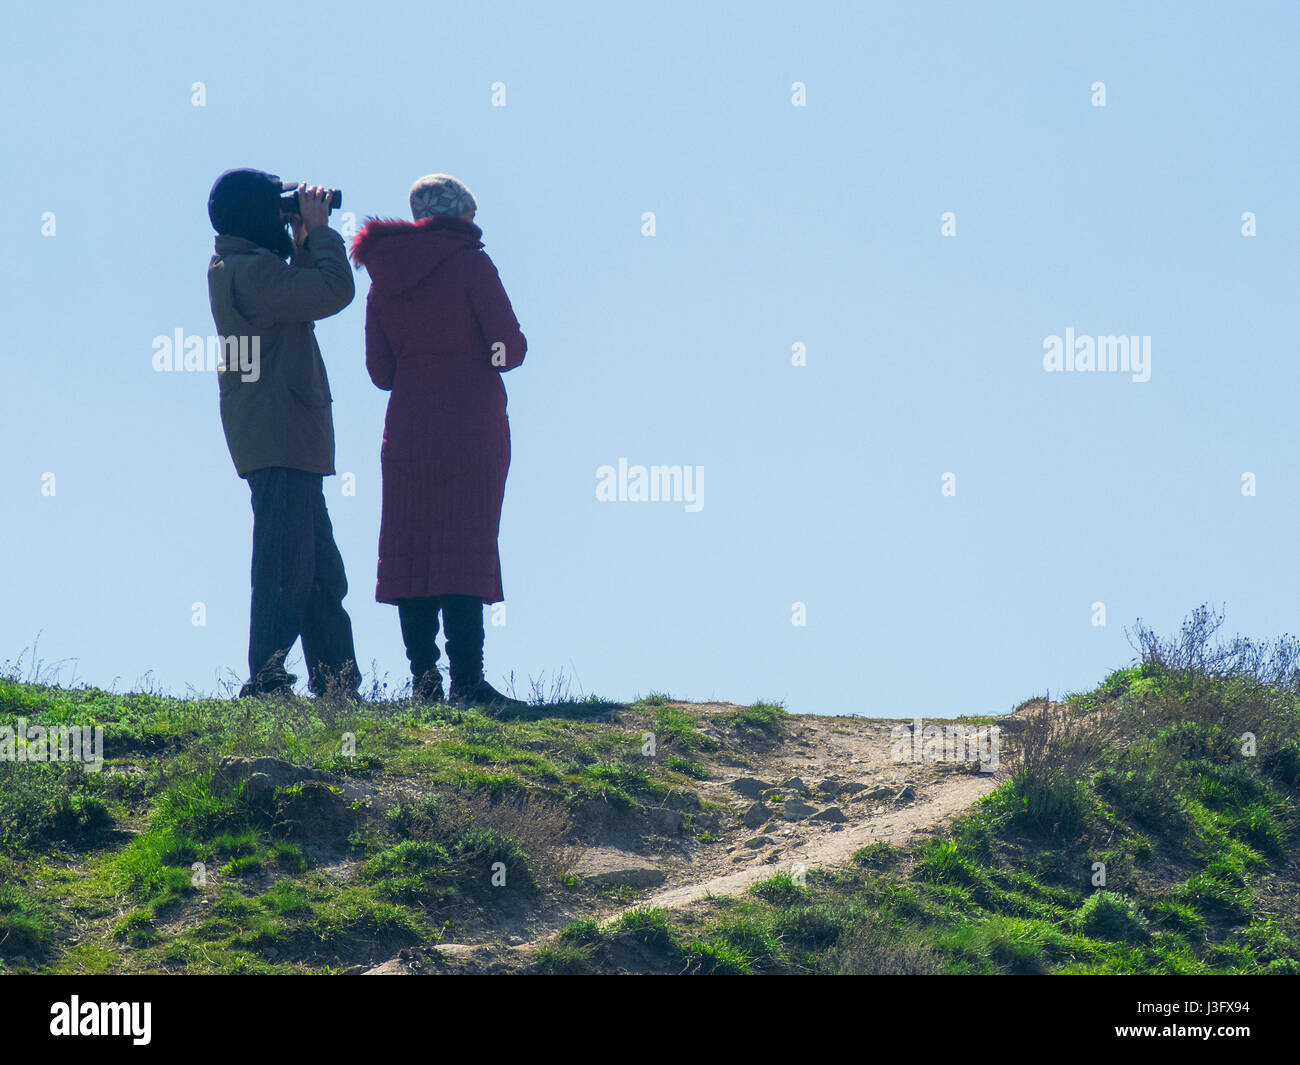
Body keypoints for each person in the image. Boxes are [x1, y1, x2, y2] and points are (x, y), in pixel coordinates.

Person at [350, 174, 526, 709]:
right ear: (463, 215)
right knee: (463, 543)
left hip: (409, 425)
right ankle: (467, 684)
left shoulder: (384, 274)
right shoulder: (470, 262)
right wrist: (483, 357)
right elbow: (509, 349)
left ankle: (424, 684)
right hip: (470, 423)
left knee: (413, 547)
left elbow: (381, 371)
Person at [206, 168, 360, 698]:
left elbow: (295, 299)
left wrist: (300, 244)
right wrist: (319, 235)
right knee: (285, 570)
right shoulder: (251, 271)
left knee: (318, 572)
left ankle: (338, 685)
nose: (287, 211)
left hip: (282, 435)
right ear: (255, 214)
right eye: (278, 205)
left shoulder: (243, 266)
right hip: (282, 436)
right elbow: (334, 290)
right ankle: (267, 681)